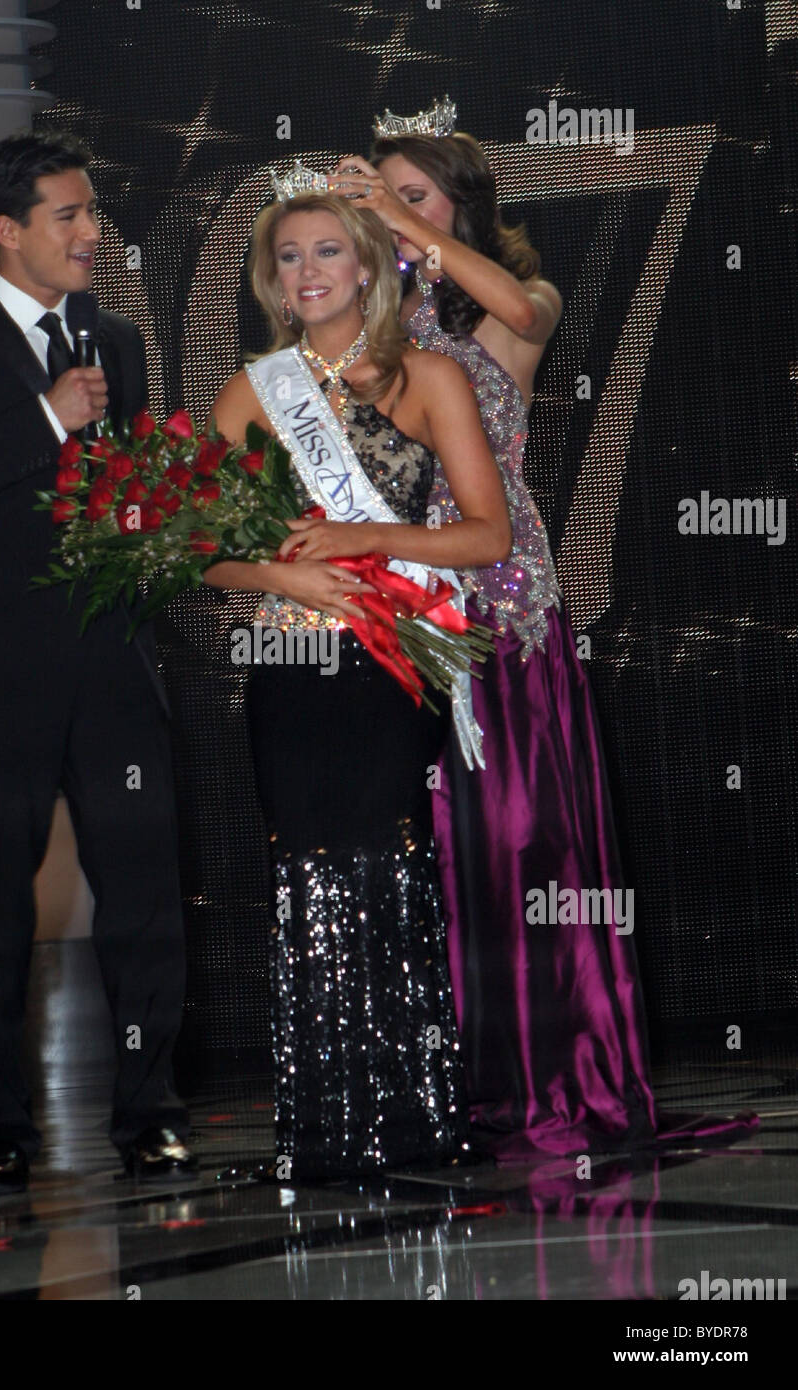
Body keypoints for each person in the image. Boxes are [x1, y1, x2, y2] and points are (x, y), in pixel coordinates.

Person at [326, 120, 756, 1154]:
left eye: (417, 195)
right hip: (405, 615)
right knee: (427, 853)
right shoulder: (367, 331)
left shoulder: (519, 304)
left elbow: (521, 309)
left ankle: (563, 1072)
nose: (395, 213)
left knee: (529, 844)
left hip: (504, 608)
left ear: (461, 208)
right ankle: (450, 1079)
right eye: (382, 196)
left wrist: (402, 226)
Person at [0, 129, 193, 1191]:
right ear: (9, 231)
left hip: (113, 659)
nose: (92, 234)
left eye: (93, 213)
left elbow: (140, 483)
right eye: (70, 216)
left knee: (144, 892)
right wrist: (45, 419)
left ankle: (150, 1110)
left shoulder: (121, 339)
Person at [204, 186, 511, 1177]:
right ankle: (325, 1127)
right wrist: (283, 572)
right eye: (289, 258)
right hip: (288, 656)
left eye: (327, 251)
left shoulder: (428, 377)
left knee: (384, 861)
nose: (308, 271)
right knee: (306, 870)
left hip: (392, 652)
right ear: (275, 283)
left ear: (369, 268)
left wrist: (367, 534)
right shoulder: (253, 393)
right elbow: (201, 552)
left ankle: (412, 1117)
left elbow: (487, 534)